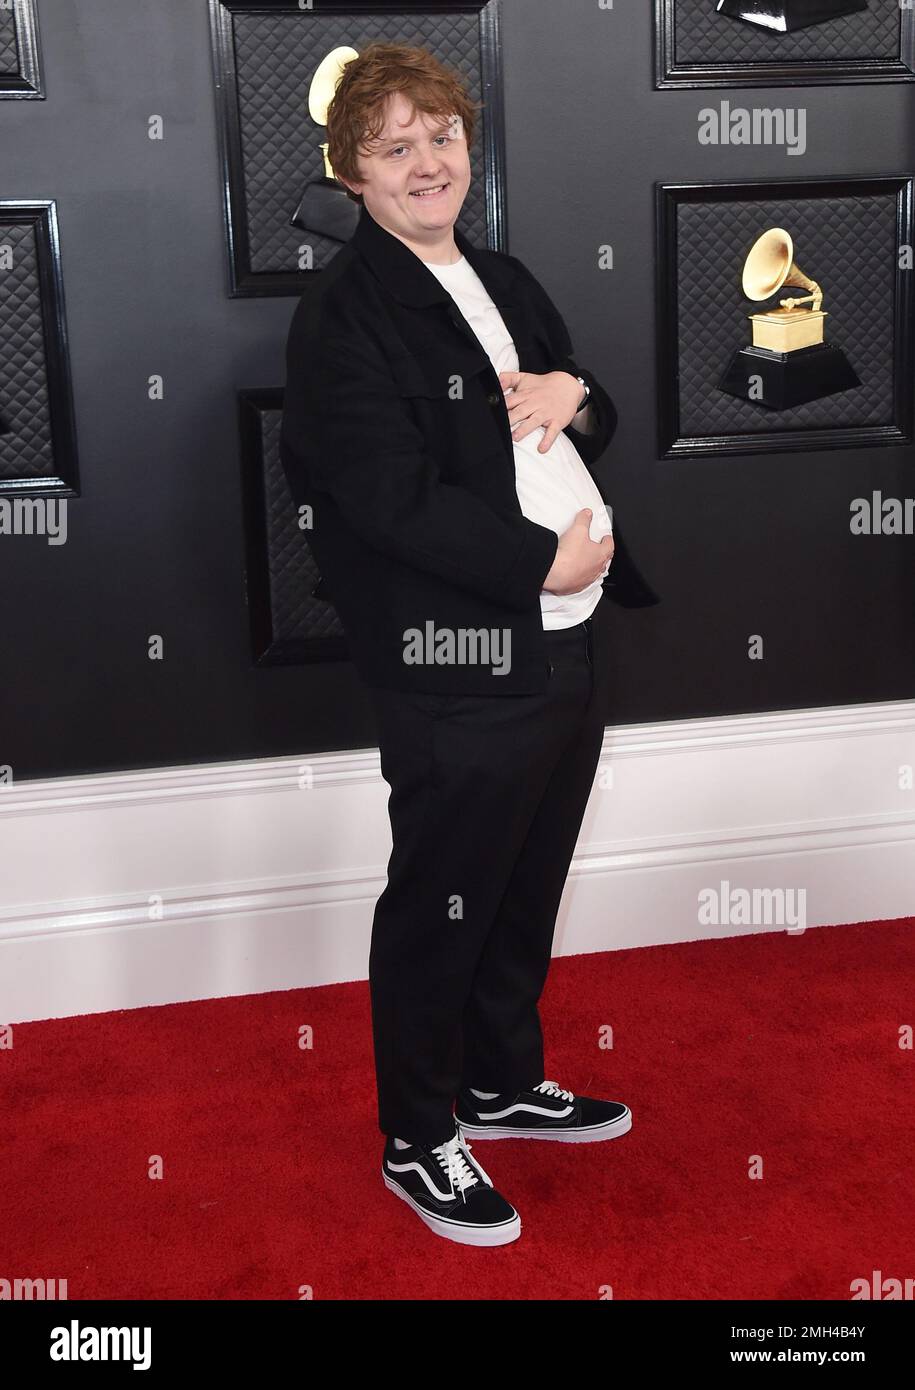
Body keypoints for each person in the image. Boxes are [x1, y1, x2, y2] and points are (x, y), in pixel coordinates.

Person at [281, 43, 658, 1247]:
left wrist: (577, 393)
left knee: (526, 871)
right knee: (446, 894)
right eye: (395, 147)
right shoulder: (342, 319)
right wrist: (532, 563)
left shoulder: (501, 270)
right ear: (352, 176)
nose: (427, 162)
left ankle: (498, 1083)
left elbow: (585, 396)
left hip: (571, 632)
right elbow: (386, 501)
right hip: (460, 651)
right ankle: (414, 1135)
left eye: (440, 136)